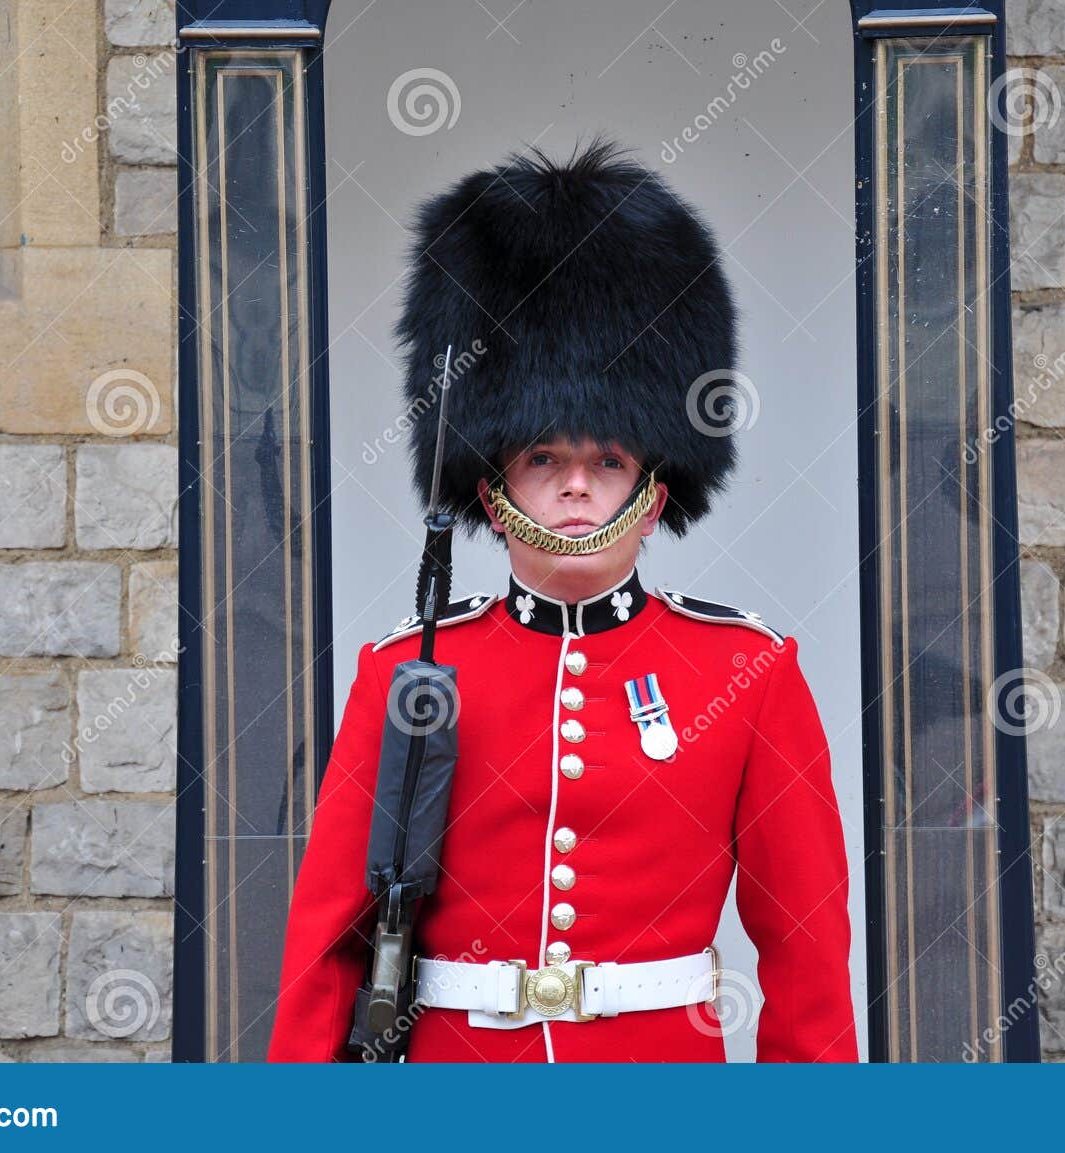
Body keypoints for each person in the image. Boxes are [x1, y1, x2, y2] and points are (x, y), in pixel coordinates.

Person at [266, 137, 856, 1063]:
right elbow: (329, 939)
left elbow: (807, 949)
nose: (576, 485)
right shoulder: (406, 669)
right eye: (542, 456)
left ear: (653, 490)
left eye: (608, 459)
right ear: (489, 481)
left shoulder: (748, 671)